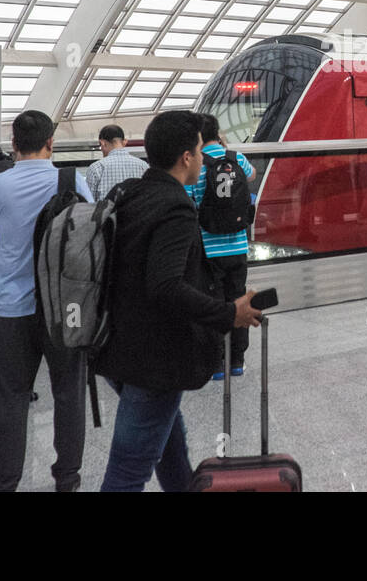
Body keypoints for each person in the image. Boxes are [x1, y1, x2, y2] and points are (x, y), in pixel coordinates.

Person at [96, 110, 262, 491]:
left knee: (171, 451)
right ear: (186, 157)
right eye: (200, 151)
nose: (203, 158)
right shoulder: (175, 208)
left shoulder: (131, 193)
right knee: (128, 471)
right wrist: (227, 312)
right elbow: (165, 286)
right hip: (154, 358)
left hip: (117, 347)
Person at [0, 110, 93, 492]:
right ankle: (68, 478)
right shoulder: (72, 178)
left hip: (13, 306)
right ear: (51, 144)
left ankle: (4, 481)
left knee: (11, 395)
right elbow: (89, 229)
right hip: (65, 307)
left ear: (13, 144)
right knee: (68, 392)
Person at [188, 113, 256, 379]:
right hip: (238, 246)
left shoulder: (198, 163)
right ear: (218, 132)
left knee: (214, 304)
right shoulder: (236, 157)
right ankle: (237, 360)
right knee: (239, 299)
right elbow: (250, 176)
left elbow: (191, 199)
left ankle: (217, 363)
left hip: (210, 248)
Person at [84, 124, 148, 201]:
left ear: (102, 143)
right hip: (137, 212)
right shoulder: (144, 166)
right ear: (124, 142)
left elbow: (88, 202)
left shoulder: (96, 168)